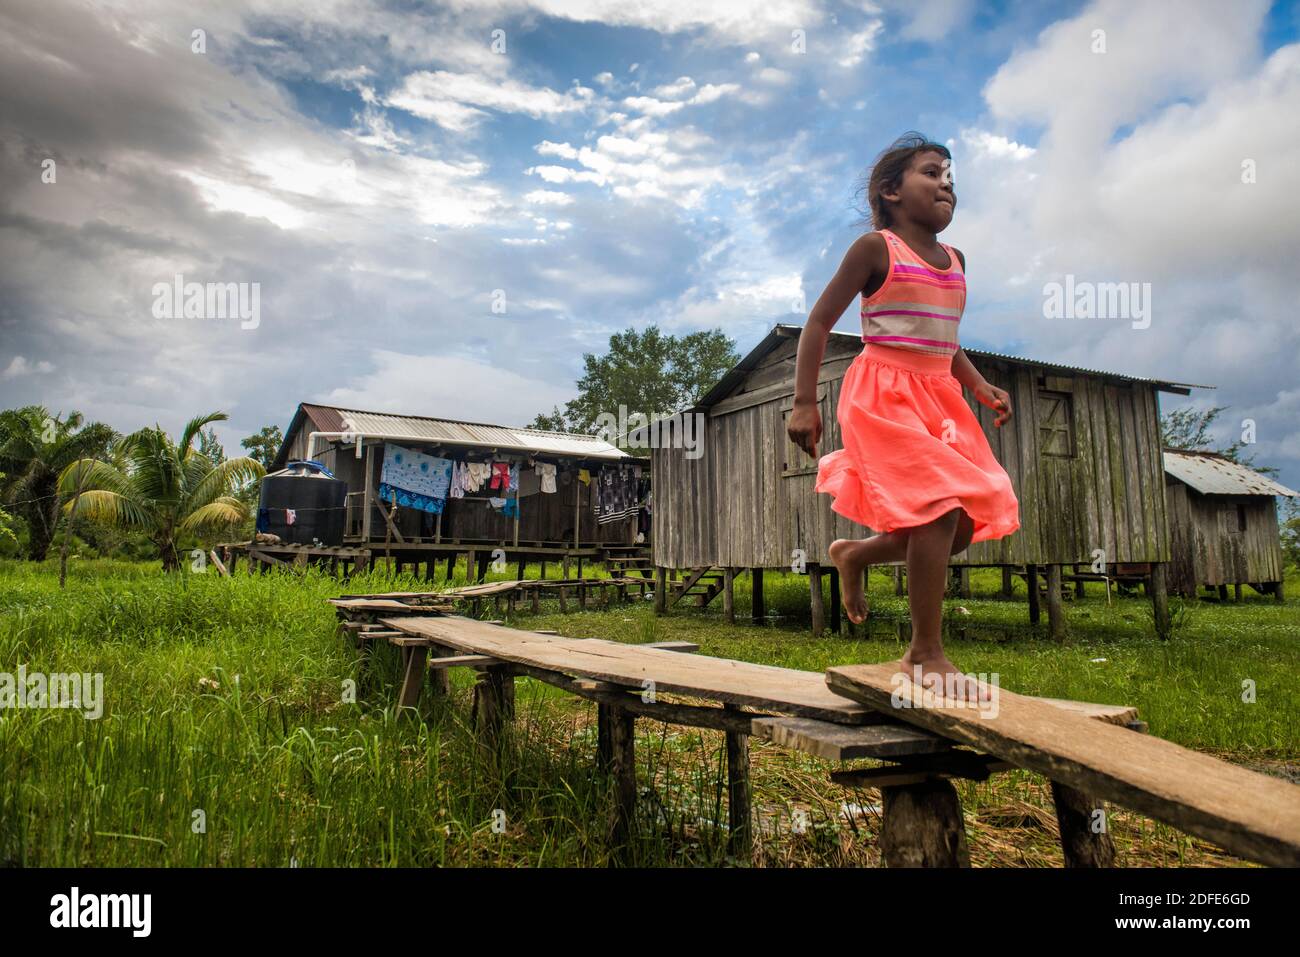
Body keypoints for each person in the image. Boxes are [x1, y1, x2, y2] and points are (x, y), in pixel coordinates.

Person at [786, 132, 1021, 702]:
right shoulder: (876, 249)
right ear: (891, 191)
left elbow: (945, 339)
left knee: (961, 524)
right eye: (931, 173)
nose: (946, 185)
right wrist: (803, 401)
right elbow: (818, 324)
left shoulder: (957, 261)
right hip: (882, 394)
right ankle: (925, 652)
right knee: (938, 509)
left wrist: (980, 385)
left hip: (940, 397)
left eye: (950, 177)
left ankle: (856, 552)